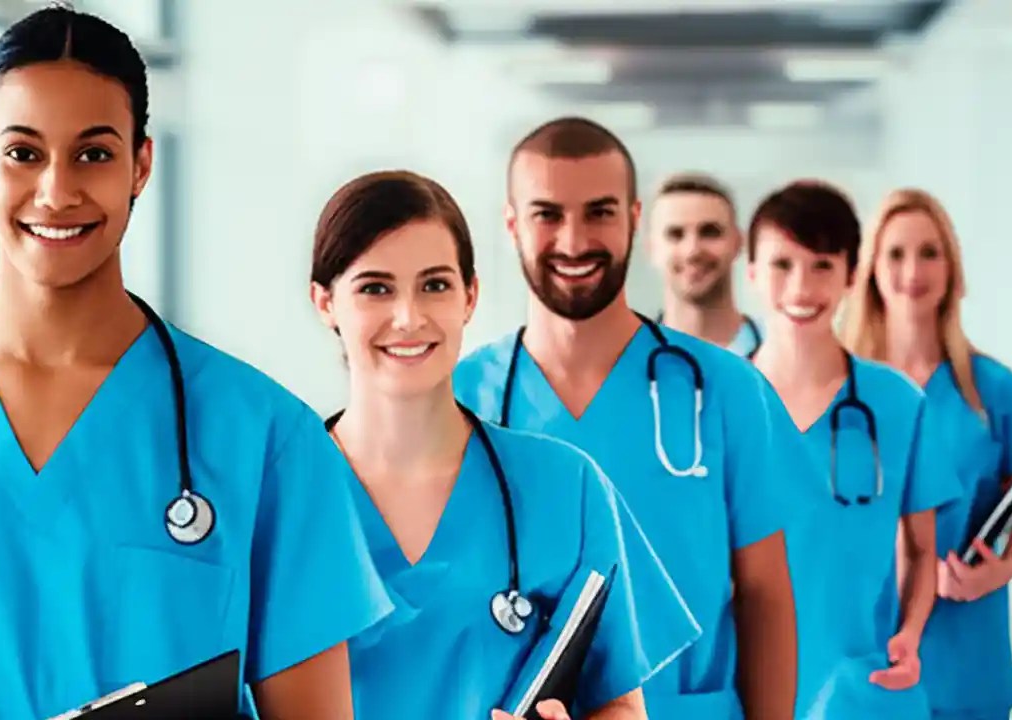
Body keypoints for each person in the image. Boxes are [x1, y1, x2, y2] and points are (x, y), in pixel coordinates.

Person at [0, 7, 391, 719]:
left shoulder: (264, 437)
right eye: (23, 152)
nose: (56, 191)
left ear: (141, 164)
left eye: (94, 153)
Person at [309, 169, 700, 720]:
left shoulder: (564, 487)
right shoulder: (283, 495)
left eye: (435, 285)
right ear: (324, 302)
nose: (408, 317)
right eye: (375, 288)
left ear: (470, 296)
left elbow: (620, 706)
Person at [454, 116, 807, 719]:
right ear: (512, 225)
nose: (573, 241)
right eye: (547, 215)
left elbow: (765, 594)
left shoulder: (726, 389)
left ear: (634, 220)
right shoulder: (463, 395)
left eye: (599, 212)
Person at [745, 180, 962, 718]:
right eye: (782, 265)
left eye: (822, 265)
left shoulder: (896, 404)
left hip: (861, 690)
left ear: (850, 274)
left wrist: (910, 633)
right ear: (750, 273)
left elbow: (919, 548)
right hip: (747, 684)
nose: (802, 286)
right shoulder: (718, 406)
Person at [841, 188, 1012, 720]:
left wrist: (990, 575)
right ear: (870, 271)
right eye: (896, 253)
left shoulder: (994, 390)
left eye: (929, 252)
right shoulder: (843, 390)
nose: (913, 270)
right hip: (866, 649)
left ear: (952, 269)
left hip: (967, 653)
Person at [647, 172, 762, 357]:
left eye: (710, 232)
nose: (693, 251)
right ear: (651, 248)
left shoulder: (784, 354)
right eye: (675, 234)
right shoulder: (619, 362)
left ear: (739, 242)